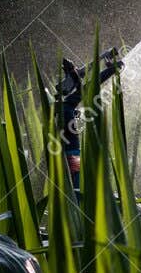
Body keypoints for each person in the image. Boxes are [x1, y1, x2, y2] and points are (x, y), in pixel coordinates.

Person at [53, 48, 123, 191]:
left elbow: (82, 90)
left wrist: (73, 73)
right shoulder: (67, 107)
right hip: (71, 151)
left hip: (70, 152)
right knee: (76, 185)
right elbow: (83, 90)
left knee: (75, 185)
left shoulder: (65, 107)